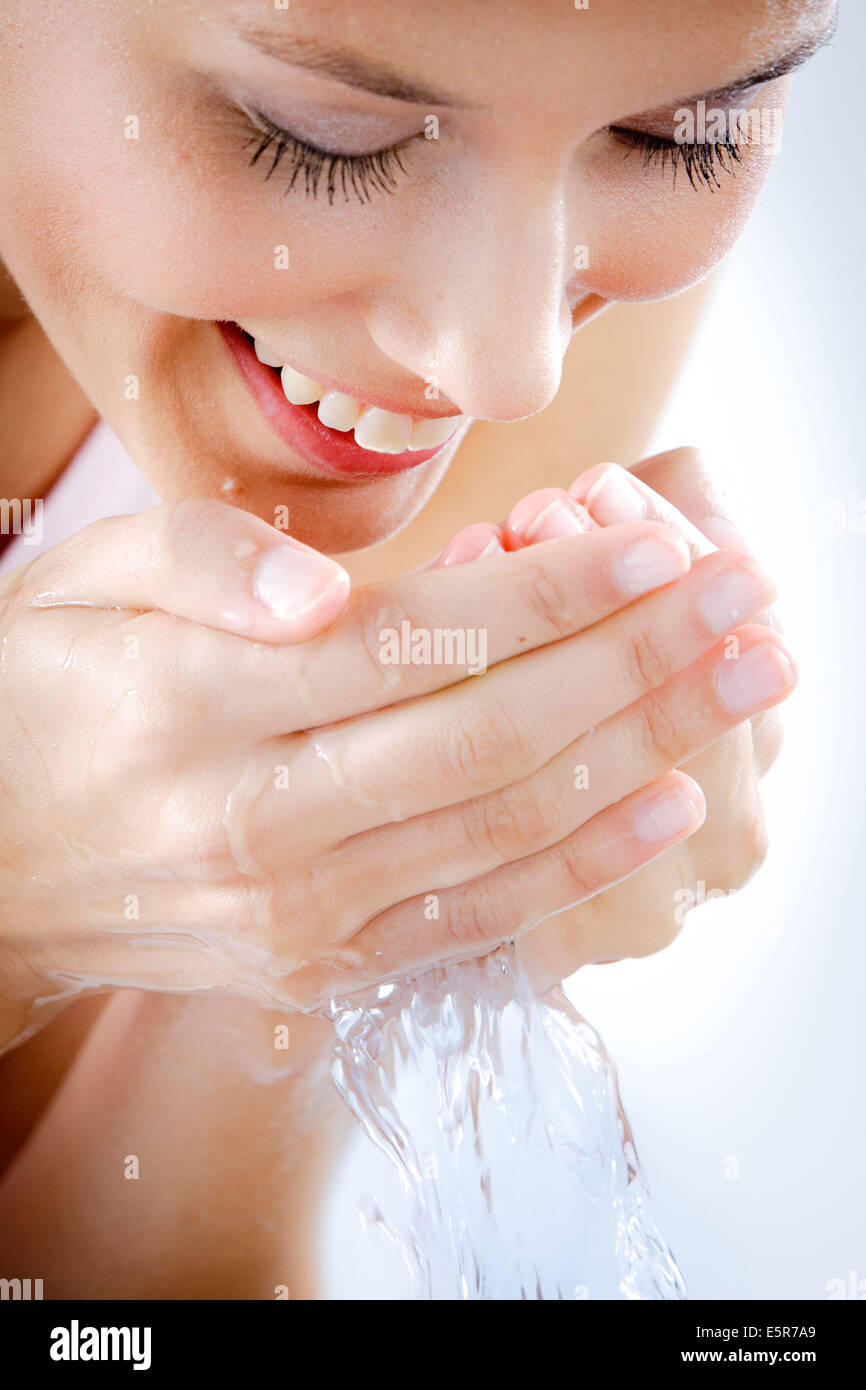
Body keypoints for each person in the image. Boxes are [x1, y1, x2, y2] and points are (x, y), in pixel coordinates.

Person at [0, 0, 833, 1297]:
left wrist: (381, 909)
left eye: (677, 138)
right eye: (324, 137)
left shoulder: (527, 232)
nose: (508, 370)